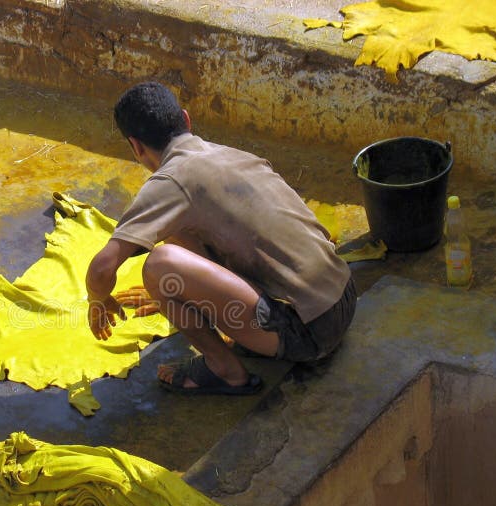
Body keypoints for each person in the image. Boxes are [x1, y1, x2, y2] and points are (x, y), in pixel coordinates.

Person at [86, 81, 356, 395]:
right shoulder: (234, 155)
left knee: (159, 265)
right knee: (174, 227)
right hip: (344, 297)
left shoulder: (170, 181)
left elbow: (101, 270)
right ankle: (232, 320)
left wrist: (98, 301)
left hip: (309, 334)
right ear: (186, 120)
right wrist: (185, 294)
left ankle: (224, 370)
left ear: (136, 146)